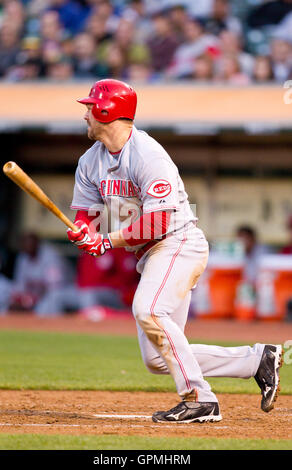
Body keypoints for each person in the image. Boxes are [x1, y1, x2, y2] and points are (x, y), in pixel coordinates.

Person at [66, 78, 283, 423]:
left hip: (178, 243)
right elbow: (88, 215)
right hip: (151, 255)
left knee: (148, 311)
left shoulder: (148, 154)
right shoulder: (90, 161)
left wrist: (105, 240)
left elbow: (157, 225)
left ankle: (200, 399)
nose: (85, 115)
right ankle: (256, 360)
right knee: (156, 357)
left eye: (90, 108)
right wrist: (84, 231)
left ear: (109, 111)